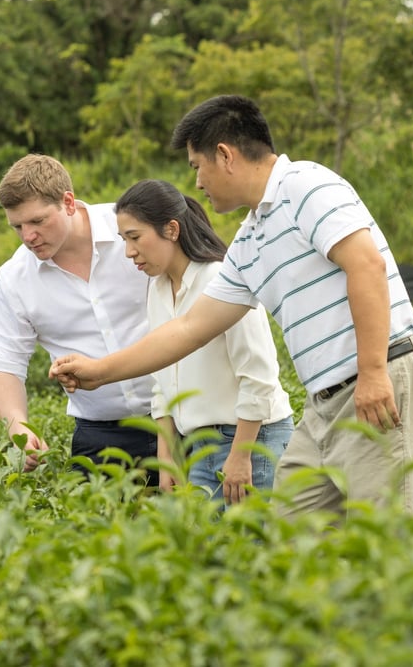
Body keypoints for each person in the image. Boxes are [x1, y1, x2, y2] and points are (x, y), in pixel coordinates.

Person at [51, 95, 413, 519]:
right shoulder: (250, 238)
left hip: (382, 376)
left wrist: (372, 372)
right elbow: (189, 329)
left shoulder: (306, 184)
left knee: (389, 540)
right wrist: (100, 371)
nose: (197, 183)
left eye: (196, 167)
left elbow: (366, 265)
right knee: (291, 537)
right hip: (325, 401)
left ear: (225, 155)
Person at [115, 178, 294, 505]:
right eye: (123, 240)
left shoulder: (222, 280)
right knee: (211, 552)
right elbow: (163, 381)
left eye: (135, 237)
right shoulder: (157, 289)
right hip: (200, 446)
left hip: (252, 439)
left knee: (254, 551)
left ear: (171, 229)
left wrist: (242, 456)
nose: (129, 252)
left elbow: (259, 376)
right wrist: (166, 458)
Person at [0, 154, 158, 482]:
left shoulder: (133, 229)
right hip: (99, 434)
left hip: (179, 416)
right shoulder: (14, 278)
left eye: (37, 221)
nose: (27, 236)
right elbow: (5, 364)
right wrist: (18, 426)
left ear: (68, 202)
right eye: (17, 226)